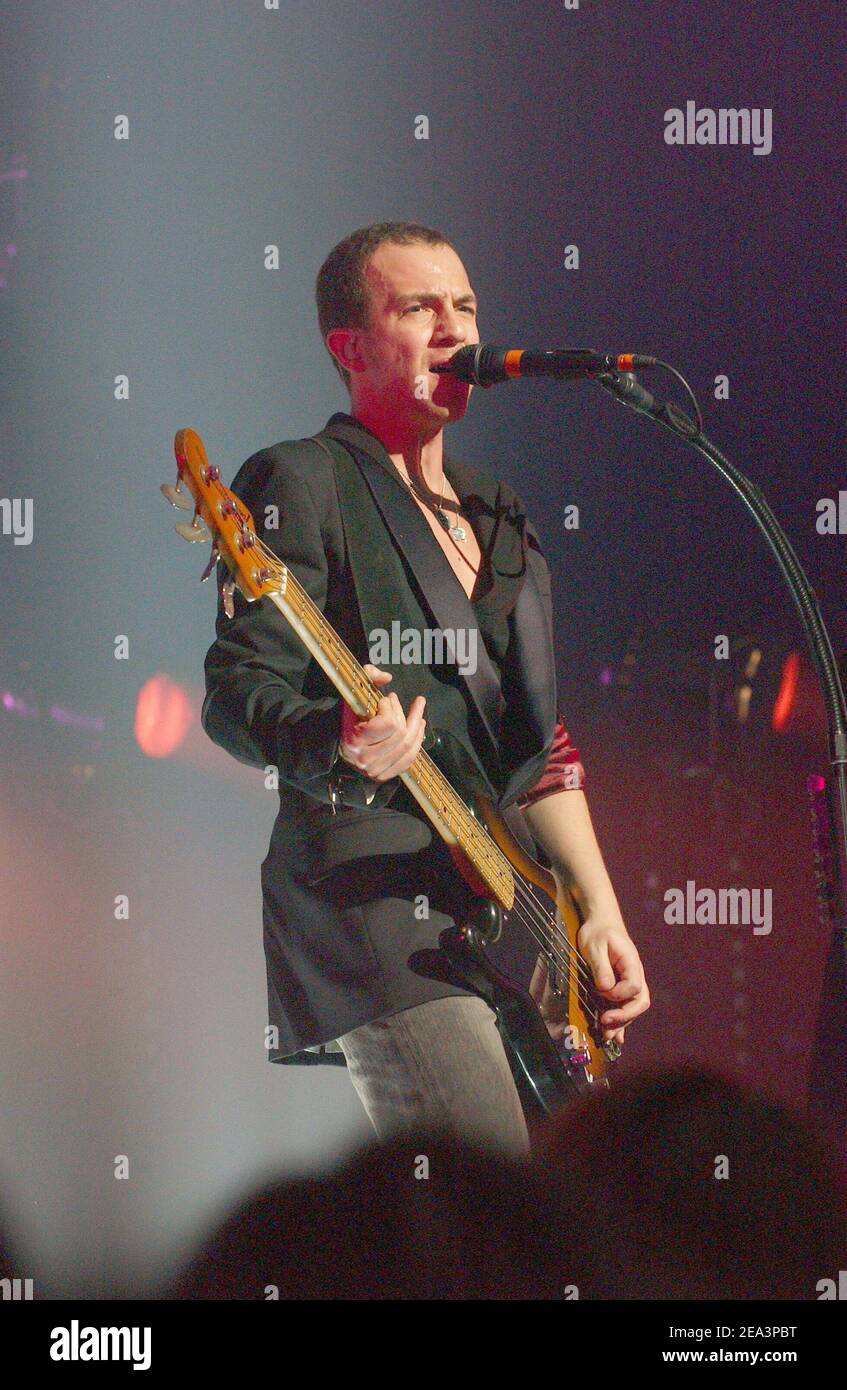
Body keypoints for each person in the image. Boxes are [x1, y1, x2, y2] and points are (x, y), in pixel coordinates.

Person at [202, 221, 649, 1157]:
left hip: (509, 902)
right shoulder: (301, 478)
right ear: (348, 346)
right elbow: (238, 691)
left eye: (466, 306)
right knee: (476, 1205)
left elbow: (539, 744)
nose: (454, 326)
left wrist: (597, 907)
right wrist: (336, 737)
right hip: (376, 886)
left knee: (556, 1217)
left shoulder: (498, 508)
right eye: (419, 307)